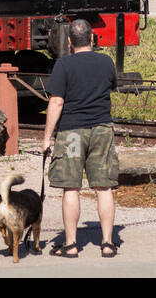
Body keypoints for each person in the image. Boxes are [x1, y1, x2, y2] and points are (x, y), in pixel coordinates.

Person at [42, 17, 119, 258]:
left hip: (73, 131)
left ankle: (71, 244)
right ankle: (107, 243)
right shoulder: (106, 62)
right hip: (102, 130)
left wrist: (47, 137)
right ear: (93, 39)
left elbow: (56, 101)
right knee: (104, 187)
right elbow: (110, 89)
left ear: (69, 41)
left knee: (71, 187)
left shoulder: (63, 65)